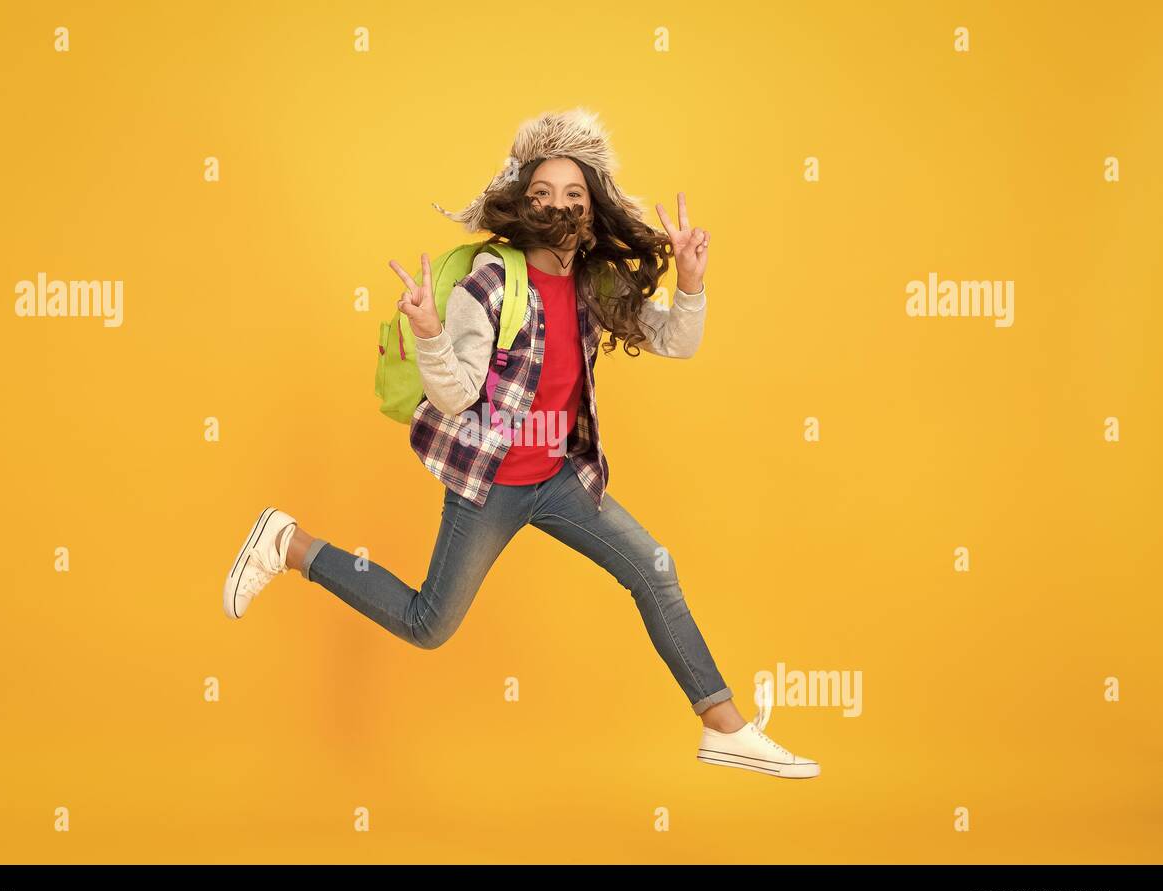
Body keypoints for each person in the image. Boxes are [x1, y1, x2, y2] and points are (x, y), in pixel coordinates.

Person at [222, 109, 819, 779]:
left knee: (653, 566)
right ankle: (291, 543)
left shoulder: (595, 282)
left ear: (592, 209)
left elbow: (676, 341)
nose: (560, 209)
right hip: (491, 480)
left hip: (561, 478)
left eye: (575, 197)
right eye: (545, 196)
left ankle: (723, 725)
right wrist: (428, 333)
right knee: (429, 623)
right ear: (523, 204)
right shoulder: (490, 284)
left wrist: (690, 278)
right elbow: (454, 395)